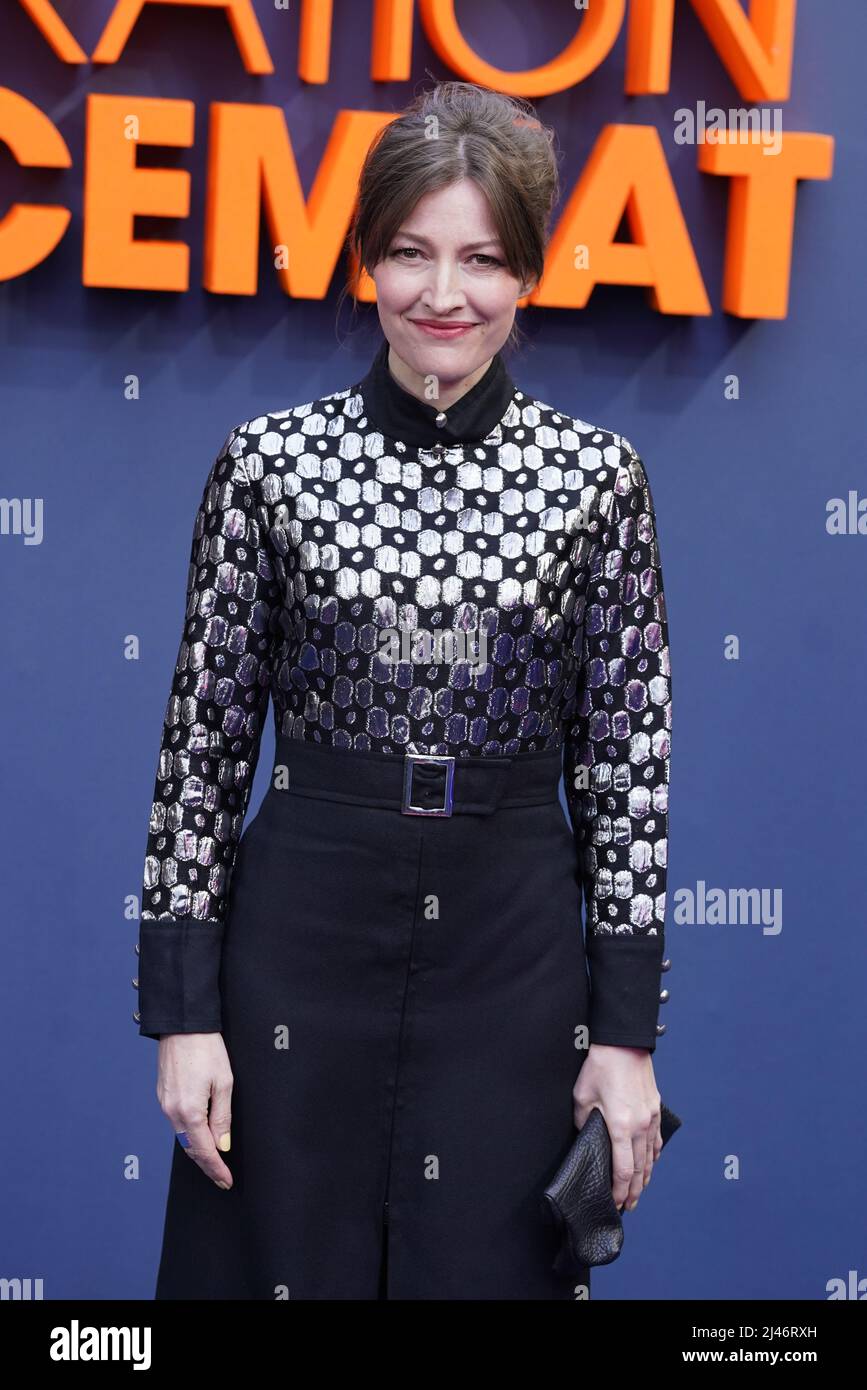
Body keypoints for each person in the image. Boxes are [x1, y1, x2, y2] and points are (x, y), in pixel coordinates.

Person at [133, 80, 673, 1301]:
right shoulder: (272, 464)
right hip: (301, 944)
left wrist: (627, 1039)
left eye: (482, 258)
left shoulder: (598, 482)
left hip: (515, 956)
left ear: (528, 273)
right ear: (366, 259)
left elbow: (629, 773)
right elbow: (201, 754)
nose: (444, 293)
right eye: (411, 253)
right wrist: (183, 1014)